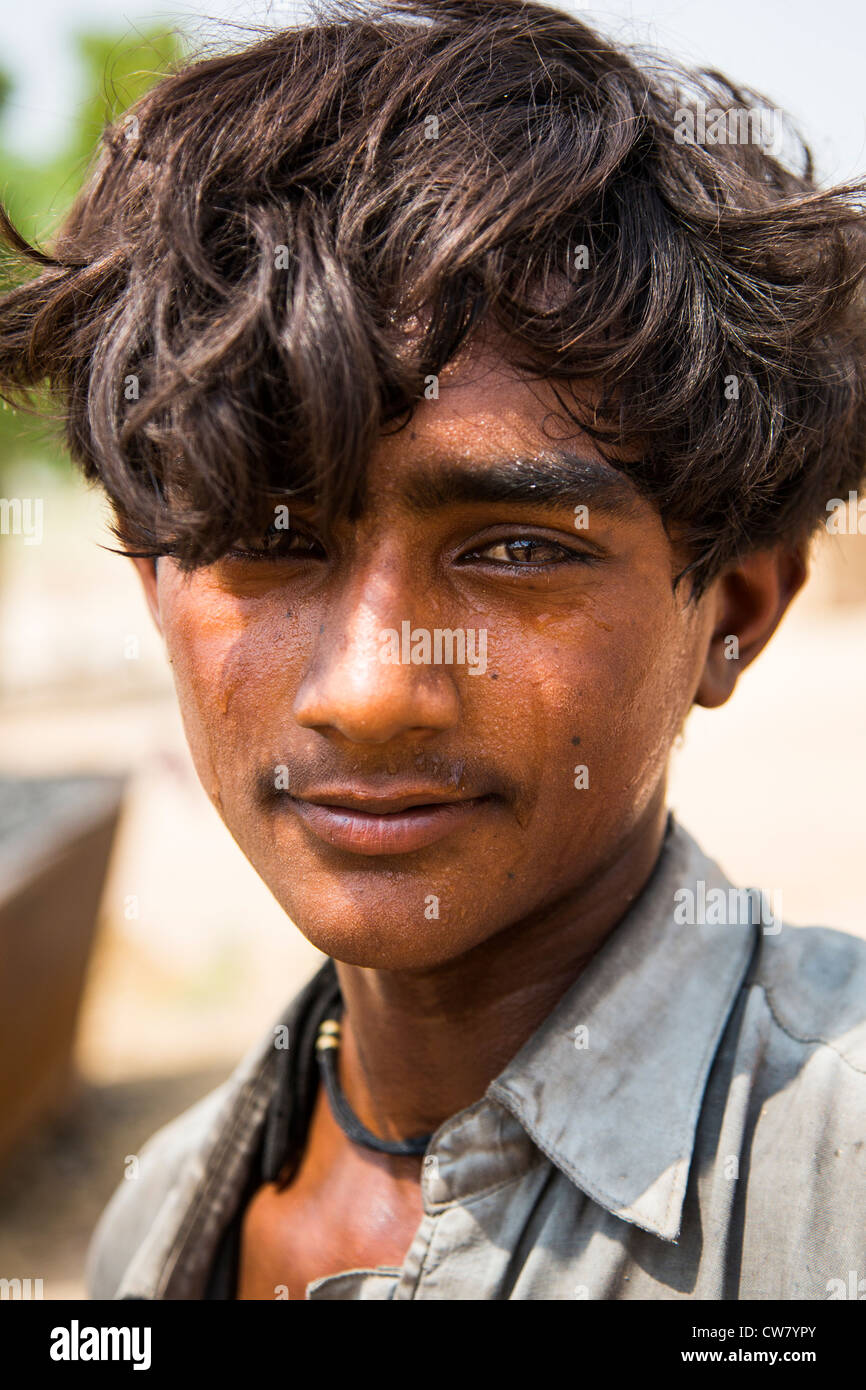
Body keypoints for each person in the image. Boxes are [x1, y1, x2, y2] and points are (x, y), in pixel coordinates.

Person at [1, 0, 865, 1301]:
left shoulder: (828, 1179)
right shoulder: (162, 1222)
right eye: (261, 537)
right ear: (155, 582)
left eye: (515, 547)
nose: (366, 692)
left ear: (734, 608)